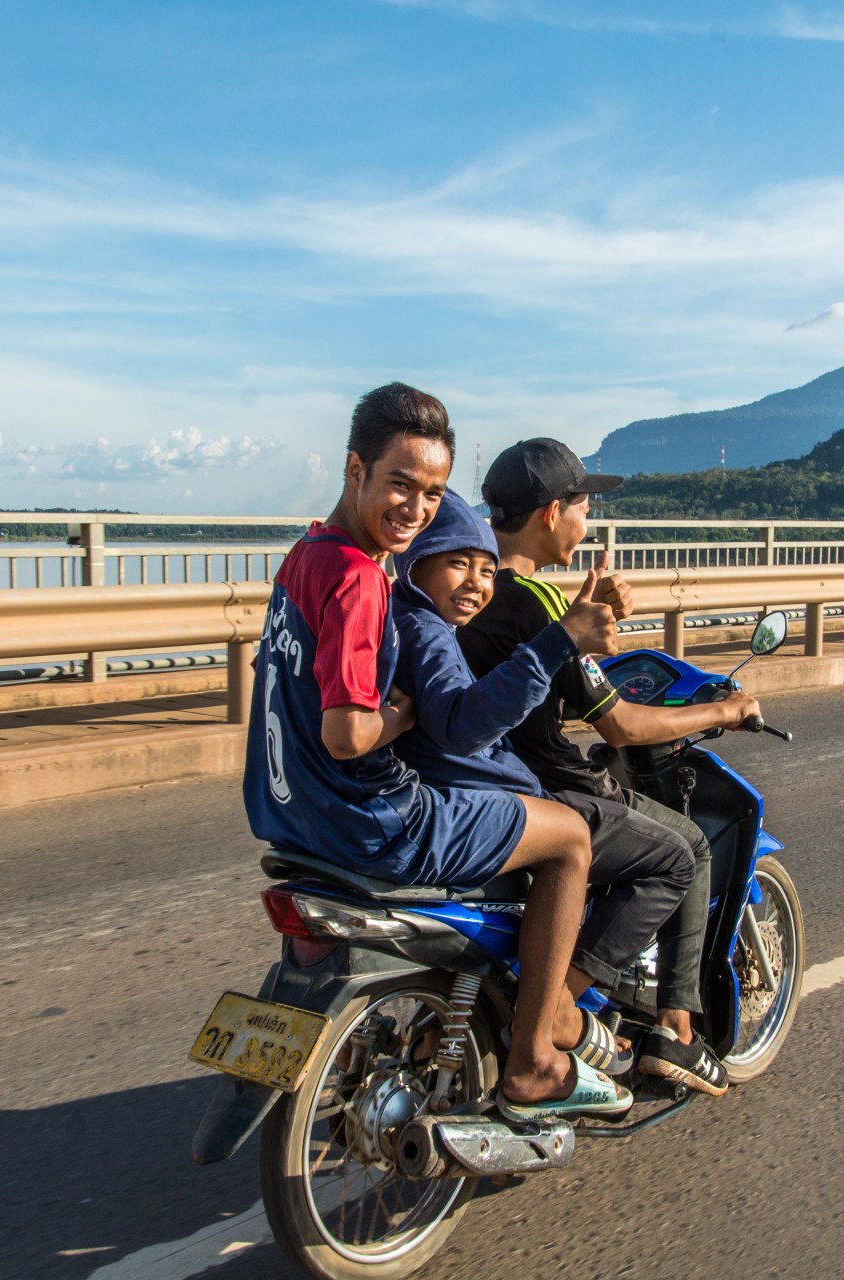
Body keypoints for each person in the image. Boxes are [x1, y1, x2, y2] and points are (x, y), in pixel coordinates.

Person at [242, 384, 629, 1121]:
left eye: (432, 493)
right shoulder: (360, 579)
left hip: (287, 815)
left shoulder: (305, 557)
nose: (414, 509)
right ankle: (535, 1058)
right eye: (400, 484)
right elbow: (347, 734)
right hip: (372, 821)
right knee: (571, 839)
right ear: (355, 469)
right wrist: (396, 715)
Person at [460, 438, 763, 1097]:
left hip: (482, 785)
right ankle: (622, 1019)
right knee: (686, 850)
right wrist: (725, 711)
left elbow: (537, 672)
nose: (588, 518)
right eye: (583, 504)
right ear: (551, 513)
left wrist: (586, 616)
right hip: (551, 790)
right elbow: (622, 725)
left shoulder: (467, 587)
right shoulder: (538, 605)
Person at [387, 489, 695, 1050]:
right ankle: (554, 1009)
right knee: (668, 854)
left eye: (485, 569)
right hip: (483, 798)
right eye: (458, 563)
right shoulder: (442, 628)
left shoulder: (405, 619)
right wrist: (563, 639)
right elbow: (614, 725)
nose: (476, 583)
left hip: (450, 791)